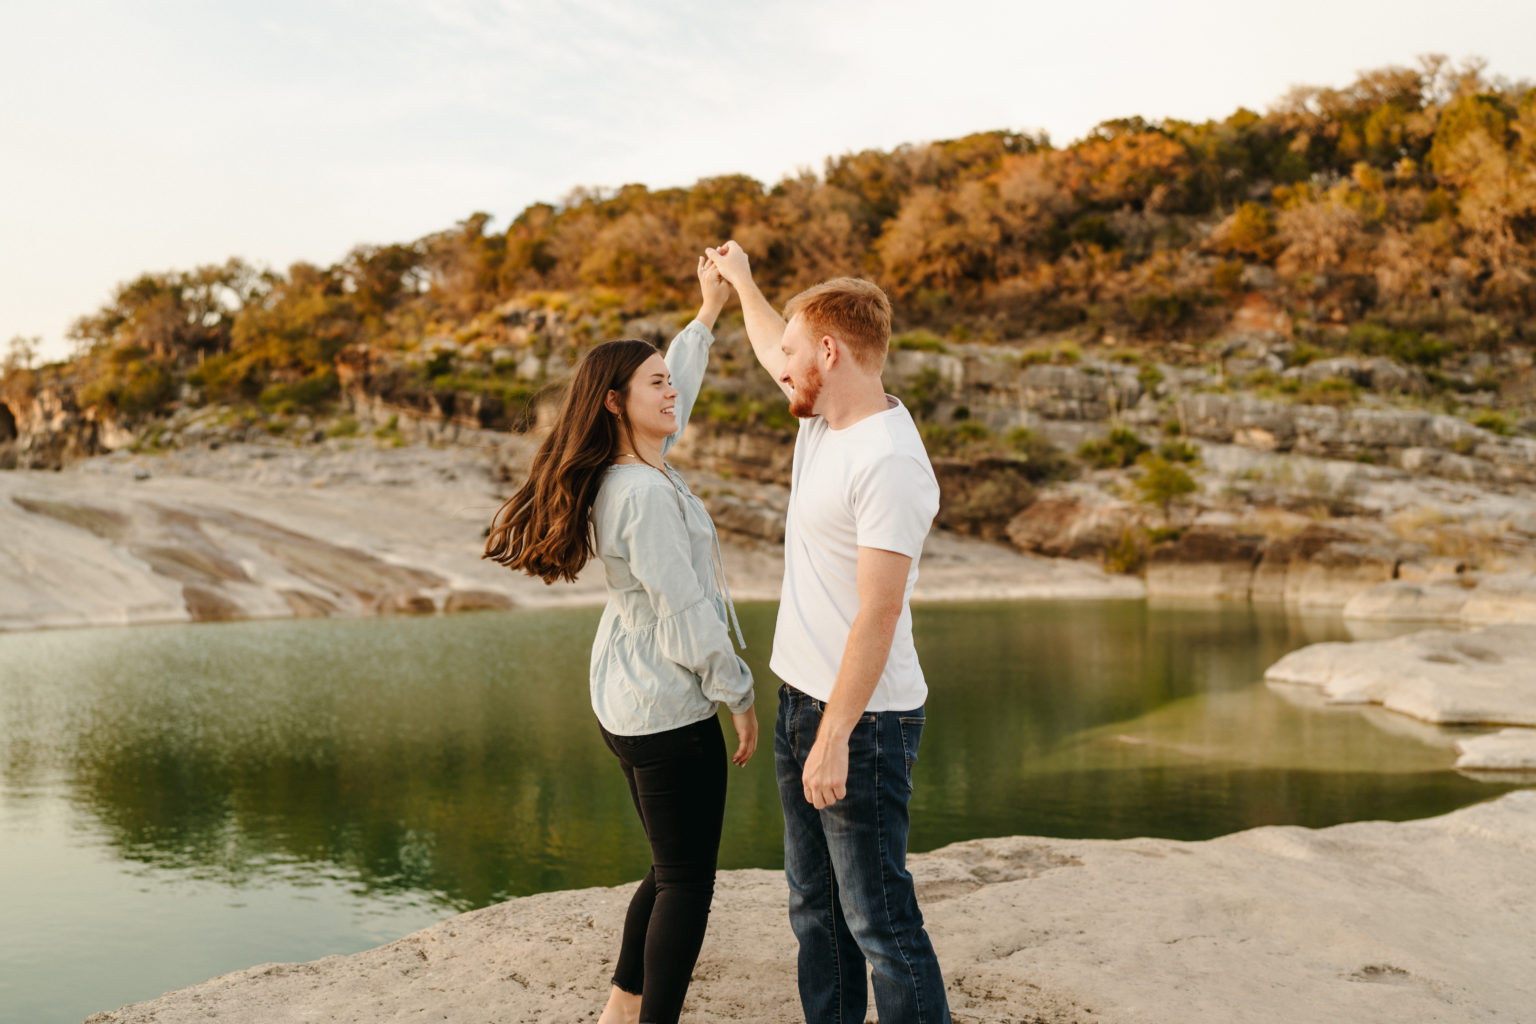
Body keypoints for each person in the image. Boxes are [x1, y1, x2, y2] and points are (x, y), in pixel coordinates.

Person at [484, 257, 758, 1024]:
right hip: (666, 704)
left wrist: (707, 315)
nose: (672, 394)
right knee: (686, 884)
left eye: (669, 382)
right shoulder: (642, 495)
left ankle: (617, 1012)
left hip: (627, 698)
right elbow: (684, 616)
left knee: (667, 869)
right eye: (655, 386)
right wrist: (736, 693)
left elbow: (680, 386)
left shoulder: (628, 463)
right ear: (614, 403)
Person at [706, 241, 951, 1024]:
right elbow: (772, 337)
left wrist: (836, 735)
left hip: (864, 722)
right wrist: (742, 282)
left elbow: (878, 611)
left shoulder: (888, 461)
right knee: (813, 906)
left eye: (793, 353)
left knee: (877, 919)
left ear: (831, 351)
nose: (779, 363)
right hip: (801, 699)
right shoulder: (824, 416)